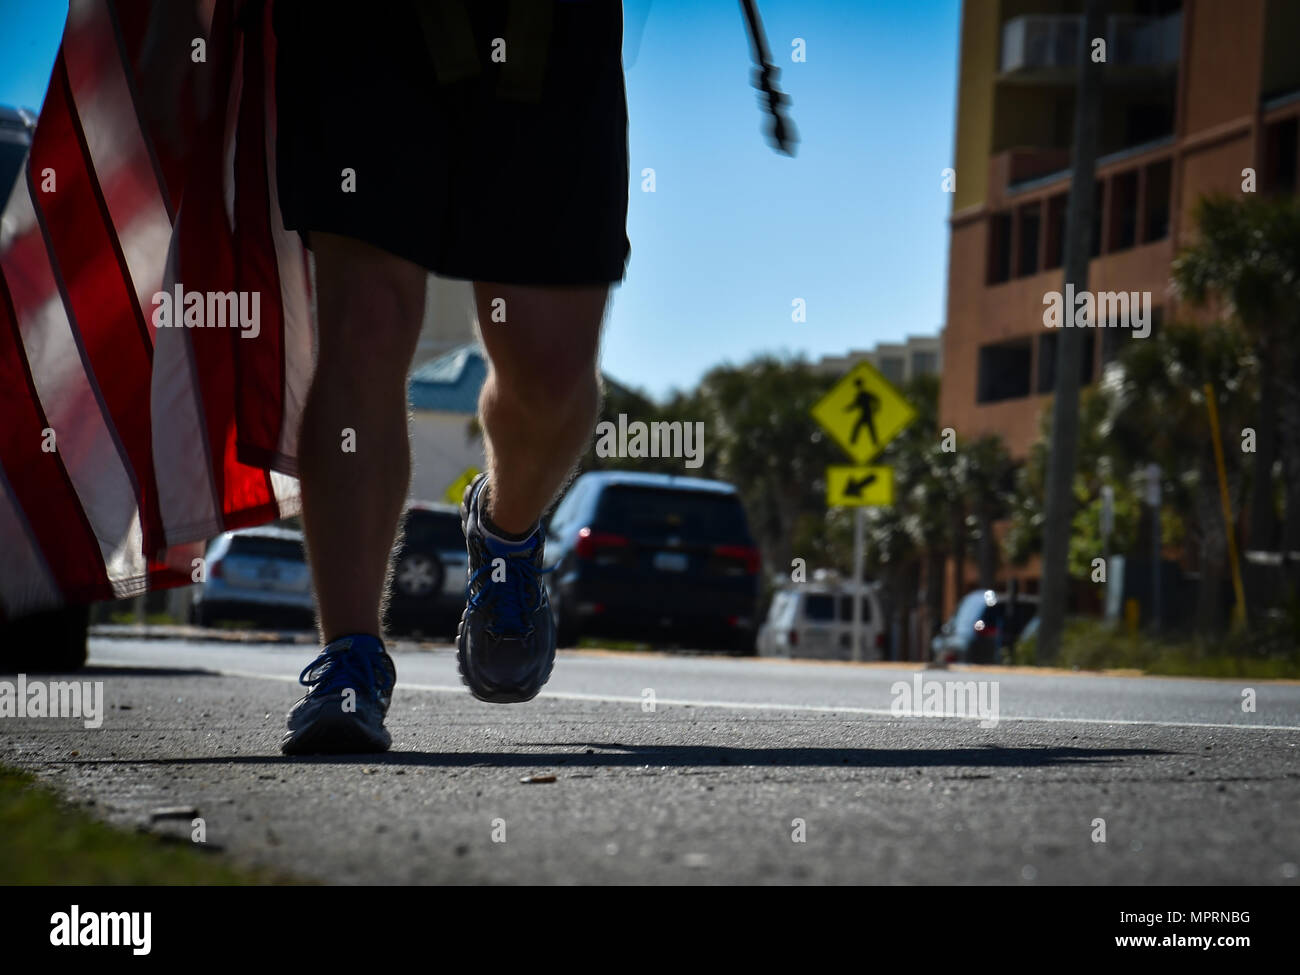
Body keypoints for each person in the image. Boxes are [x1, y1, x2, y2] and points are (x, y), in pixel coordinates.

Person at [276, 0, 630, 754]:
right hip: (364, 27)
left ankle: (505, 533)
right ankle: (350, 657)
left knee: (551, 370)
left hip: (548, 29)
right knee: (364, 319)